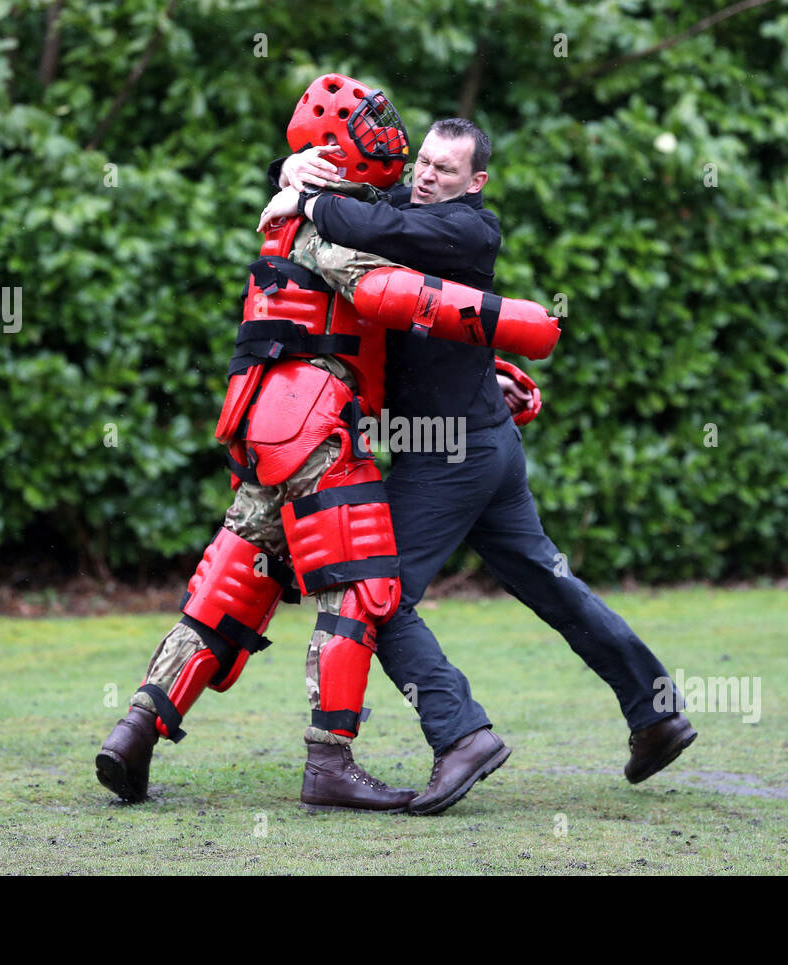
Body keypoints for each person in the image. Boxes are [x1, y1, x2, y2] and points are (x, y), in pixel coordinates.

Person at [95, 75, 559, 813]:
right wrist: (514, 321)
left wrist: (487, 368)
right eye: (369, 128)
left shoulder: (302, 209)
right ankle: (330, 761)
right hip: (314, 423)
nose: (393, 146)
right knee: (362, 586)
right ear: (336, 145)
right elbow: (385, 295)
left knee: (234, 582)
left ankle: (137, 727)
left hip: (265, 421)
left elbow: (352, 311)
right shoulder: (328, 224)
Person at [263, 116, 697, 816]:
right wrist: (296, 173)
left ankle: (460, 734)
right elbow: (356, 207)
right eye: (424, 161)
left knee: (377, 596)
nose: (427, 174)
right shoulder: (404, 205)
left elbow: (376, 233)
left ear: (477, 182)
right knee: (551, 584)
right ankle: (658, 714)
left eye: (446, 169)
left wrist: (308, 203)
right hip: (486, 446)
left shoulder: (469, 230)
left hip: (449, 455)